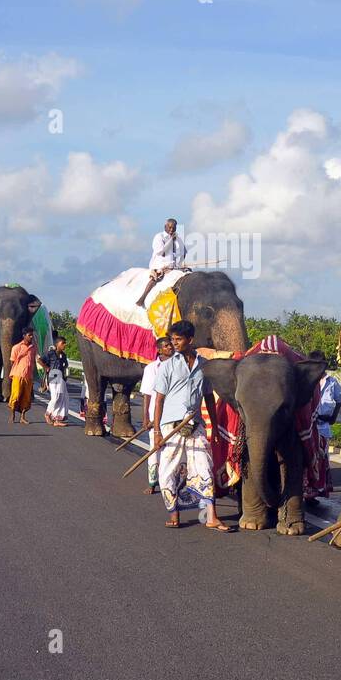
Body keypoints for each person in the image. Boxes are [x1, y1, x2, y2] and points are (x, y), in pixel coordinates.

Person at [151, 321, 235, 532]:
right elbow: (159, 399)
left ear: (190, 340)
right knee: (168, 470)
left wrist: (214, 427)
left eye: (178, 339)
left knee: (204, 466)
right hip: (172, 425)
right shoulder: (167, 366)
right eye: (172, 339)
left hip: (195, 423)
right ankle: (174, 513)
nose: (174, 343)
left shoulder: (203, 365)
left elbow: (208, 396)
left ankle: (212, 517)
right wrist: (158, 432)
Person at [139, 336, 174, 494]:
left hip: (174, 415)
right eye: (166, 346)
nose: (170, 347)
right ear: (159, 350)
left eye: (171, 344)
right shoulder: (152, 368)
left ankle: (171, 482)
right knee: (155, 450)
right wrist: (146, 417)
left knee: (173, 450)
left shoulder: (180, 365)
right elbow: (147, 394)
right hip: (156, 415)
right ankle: (152, 482)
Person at [309, 353, 341, 505]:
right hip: (309, 426)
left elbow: (340, 398)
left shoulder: (331, 382)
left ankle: (317, 491)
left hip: (323, 426)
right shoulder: (308, 380)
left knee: (322, 459)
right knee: (309, 458)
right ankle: (307, 490)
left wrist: (334, 417)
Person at [136, 218, 188, 307]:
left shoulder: (177, 239)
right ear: (165, 227)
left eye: (174, 228)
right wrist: (171, 240)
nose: (171, 230)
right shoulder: (159, 237)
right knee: (155, 278)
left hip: (173, 267)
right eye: (169, 227)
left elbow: (184, 252)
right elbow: (161, 252)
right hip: (159, 267)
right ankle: (142, 298)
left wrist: (180, 264)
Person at [7, 327, 37, 423]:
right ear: (24, 336)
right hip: (18, 375)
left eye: (32, 335)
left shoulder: (33, 348)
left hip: (28, 376)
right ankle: (12, 415)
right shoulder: (16, 347)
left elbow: (33, 361)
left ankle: (23, 417)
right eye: (29, 335)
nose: (31, 337)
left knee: (26, 397)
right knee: (15, 395)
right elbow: (12, 362)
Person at [40, 336, 70, 427]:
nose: (64, 345)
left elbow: (65, 366)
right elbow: (39, 360)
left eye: (65, 343)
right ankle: (48, 413)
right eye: (62, 343)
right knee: (55, 397)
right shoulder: (50, 353)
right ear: (57, 344)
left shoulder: (63, 355)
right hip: (53, 375)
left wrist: (65, 376)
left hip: (60, 376)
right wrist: (46, 368)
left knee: (62, 398)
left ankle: (56, 419)